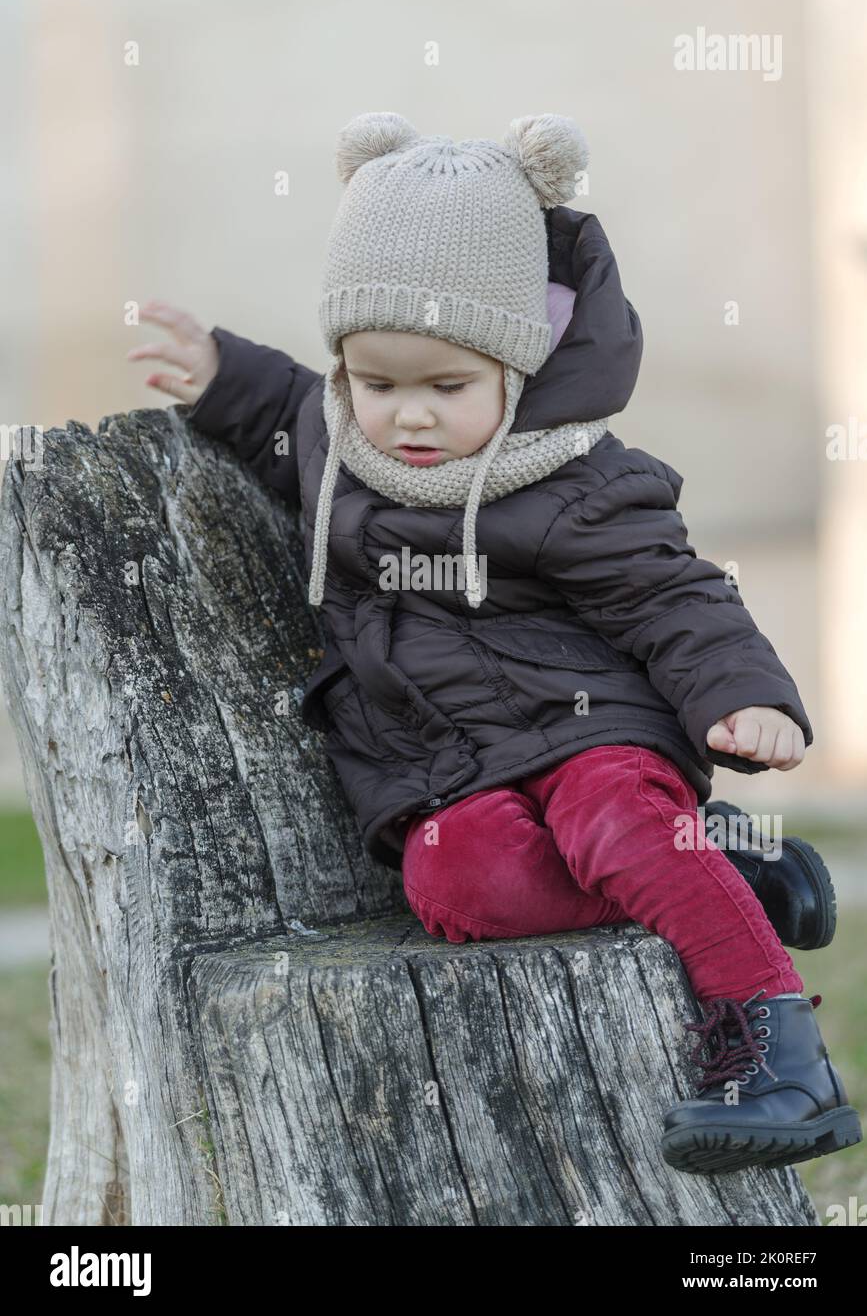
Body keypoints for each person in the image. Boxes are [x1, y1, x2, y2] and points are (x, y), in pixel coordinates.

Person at [127, 110, 861, 1175]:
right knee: (456, 889)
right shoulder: (338, 443)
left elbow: (677, 598)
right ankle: (729, 877)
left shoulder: (575, 483)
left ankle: (779, 1054)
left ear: (520, 365)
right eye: (378, 383)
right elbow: (282, 408)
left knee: (617, 822)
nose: (408, 419)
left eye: (446, 387)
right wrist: (218, 371)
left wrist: (744, 696)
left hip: (592, 731)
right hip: (447, 768)